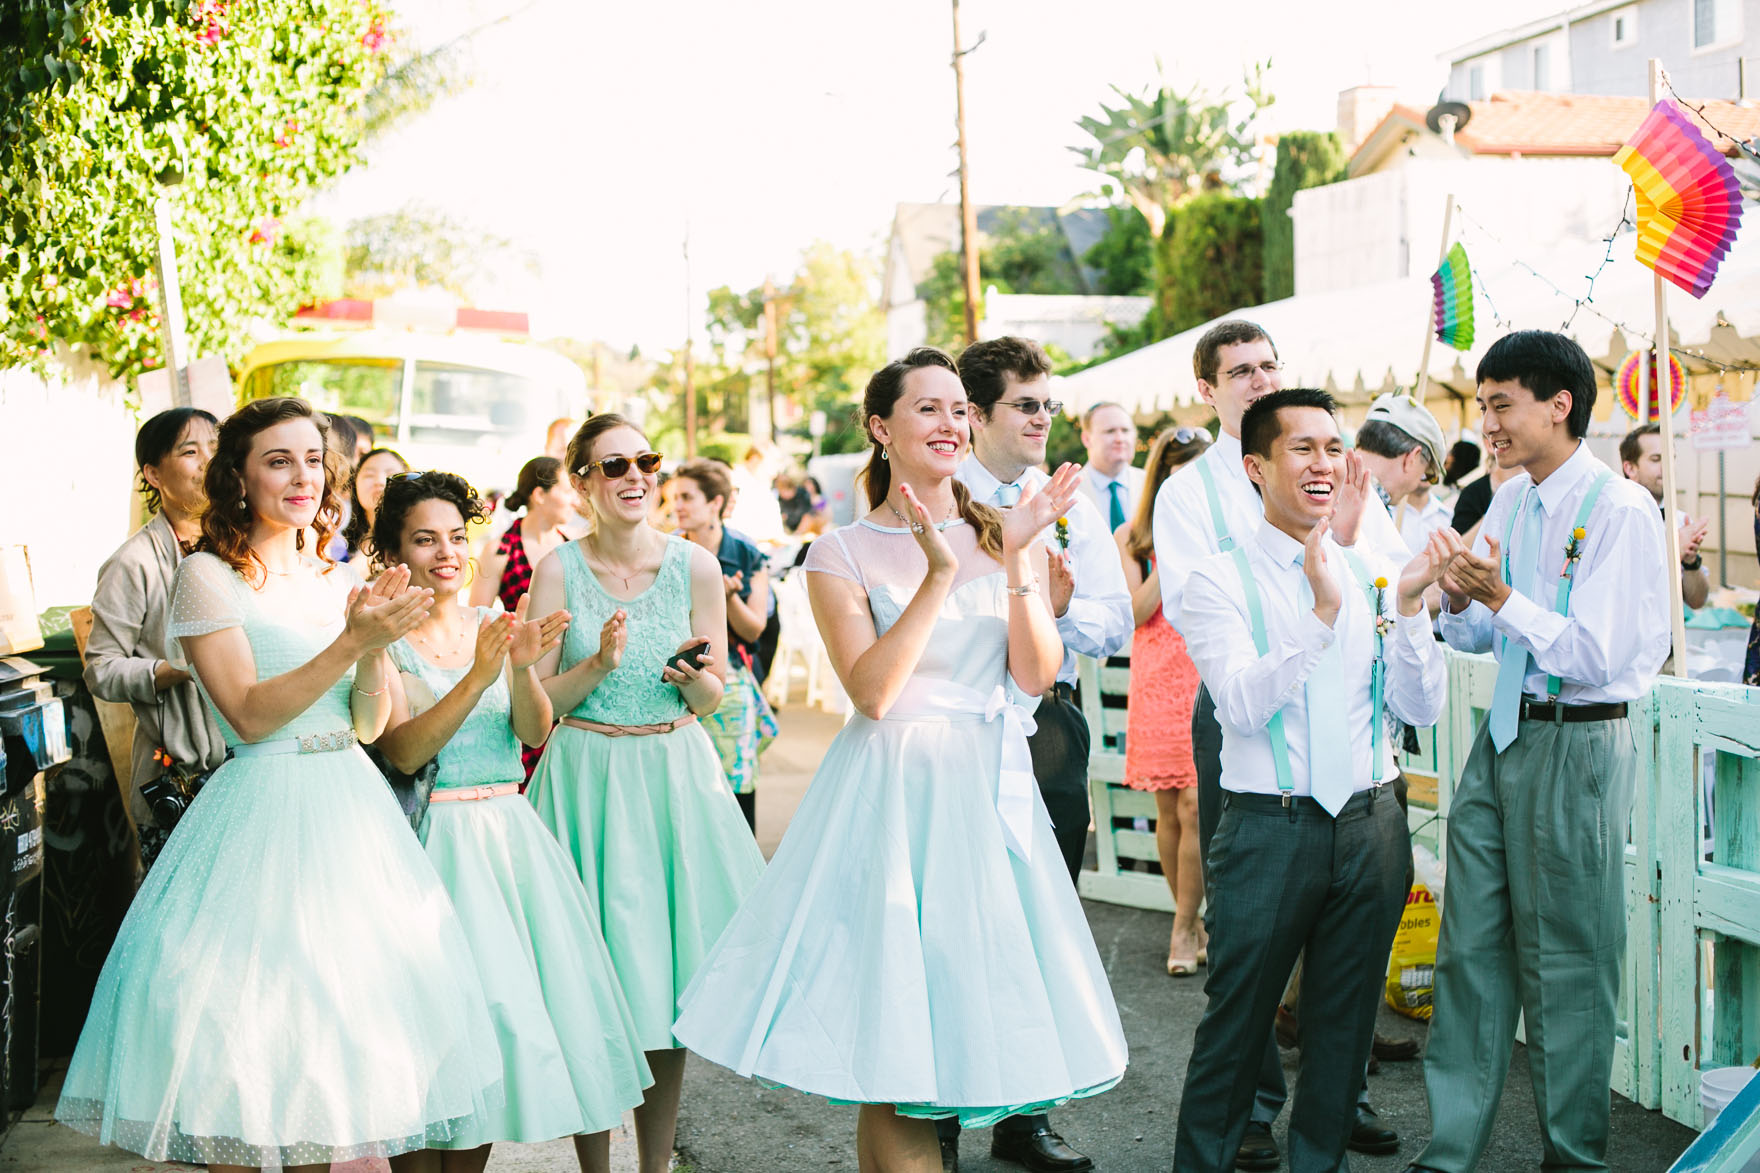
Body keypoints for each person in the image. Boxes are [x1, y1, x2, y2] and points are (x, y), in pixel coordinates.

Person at [673, 347, 1127, 1173]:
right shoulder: (839, 552)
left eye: (960, 408)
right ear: (881, 428)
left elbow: (1034, 673)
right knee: (894, 1049)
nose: (952, 423)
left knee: (970, 1017)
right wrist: (941, 577)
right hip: (896, 795)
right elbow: (874, 693)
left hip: (988, 793)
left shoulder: (1005, 529)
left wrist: (1020, 562)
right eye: (930, 408)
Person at [55, 397, 503, 1172]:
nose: (302, 475)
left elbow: (369, 726)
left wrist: (373, 649)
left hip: (352, 819)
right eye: (277, 459)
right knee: (246, 1056)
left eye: (311, 459)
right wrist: (354, 640)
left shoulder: (338, 577)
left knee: (330, 1063)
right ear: (239, 475)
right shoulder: (206, 577)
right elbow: (251, 716)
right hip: (260, 814)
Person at [1151, 320, 1411, 1170]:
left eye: (1335, 448)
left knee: (1342, 1026)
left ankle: (1320, 1150)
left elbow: (1415, 696)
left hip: (1371, 817)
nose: (1324, 464)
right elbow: (1237, 695)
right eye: (1304, 449)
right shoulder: (1208, 535)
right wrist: (1318, 613)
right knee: (1239, 1013)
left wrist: (1406, 610)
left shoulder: (1368, 554)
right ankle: (1232, 1136)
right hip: (1271, 810)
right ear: (1256, 464)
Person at [1409, 331, 1671, 1173]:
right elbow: (1487, 629)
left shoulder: (1622, 508)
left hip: (1579, 741)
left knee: (1568, 959)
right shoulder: (1514, 499)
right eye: (1483, 405)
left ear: (1560, 404)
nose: (1488, 423)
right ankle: (1451, 1152)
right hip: (1505, 733)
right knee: (1469, 949)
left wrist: (1503, 598)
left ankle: (1575, 1156)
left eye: (1500, 403)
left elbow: (1600, 656)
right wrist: (1459, 602)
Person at [373, 471, 654, 1173]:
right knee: (428, 1040)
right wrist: (478, 674)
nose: (444, 552)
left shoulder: (491, 623)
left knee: (495, 1029)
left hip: (506, 840)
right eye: (423, 538)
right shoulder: (386, 643)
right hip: (430, 847)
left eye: (454, 536)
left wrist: (523, 668)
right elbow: (404, 750)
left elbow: (531, 729)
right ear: (394, 554)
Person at [524, 414, 765, 1173]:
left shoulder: (696, 565)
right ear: (585, 482)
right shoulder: (556, 570)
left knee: (666, 992)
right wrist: (595, 664)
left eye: (646, 461)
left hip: (671, 779)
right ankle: (596, 1167)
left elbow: (716, 691)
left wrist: (698, 684)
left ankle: (654, 1167)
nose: (636, 476)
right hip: (585, 779)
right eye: (615, 464)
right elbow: (534, 705)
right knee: (586, 988)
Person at [948, 335, 1131, 1173]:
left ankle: (1026, 1119)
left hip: (1045, 725)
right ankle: (937, 1116)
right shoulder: (939, 492)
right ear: (976, 412)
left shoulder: (1069, 498)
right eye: (1027, 404)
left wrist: (1051, 615)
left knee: (1041, 920)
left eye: (1049, 404)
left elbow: (1114, 619)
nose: (1044, 418)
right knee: (953, 923)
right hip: (951, 728)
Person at [83, 407, 227, 872]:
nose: (208, 461)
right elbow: (101, 669)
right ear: (152, 473)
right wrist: (175, 669)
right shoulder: (134, 563)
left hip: (247, 770)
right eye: (190, 451)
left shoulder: (241, 547)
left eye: (216, 448)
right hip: (179, 775)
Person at [1116, 425, 1210, 976]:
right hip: (1157, 673)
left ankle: (1182, 927)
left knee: (1198, 806)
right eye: (1181, 473)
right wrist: (1171, 552)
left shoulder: (1221, 530)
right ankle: (1190, 921)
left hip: (1203, 670)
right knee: (1169, 810)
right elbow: (1132, 612)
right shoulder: (1133, 538)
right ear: (1164, 477)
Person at [673, 459, 774, 832]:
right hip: (678, 680)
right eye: (674, 498)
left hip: (731, 681)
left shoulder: (747, 553)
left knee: (735, 787)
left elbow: (753, 629)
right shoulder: (668, 551)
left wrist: (727, 598)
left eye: (687, 497)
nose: (677, 506)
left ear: (715, 503)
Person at [1620, 422, 1711, 610]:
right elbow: (1625, 590)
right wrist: (1673, 550)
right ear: (1630, 469)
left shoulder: (1680, 520)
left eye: (1671, 458)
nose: (1667, 466)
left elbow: (1697, 601)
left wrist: (1690, 561)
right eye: (1656, 459)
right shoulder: (1617, 516)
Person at [1354, 392, 1451, 557]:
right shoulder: (1364, 505)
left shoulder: (1334, 486)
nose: (1416, 485)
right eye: (1425, 473)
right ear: (1412, 458)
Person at [1075, 401, 1146, 532]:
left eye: (1125, 430)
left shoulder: (1151, 483)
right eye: (1110, 431)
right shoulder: (1069, 490)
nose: (1120, 438)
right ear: (1086, 439)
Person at [342, 446, 411, 563]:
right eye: (369, 475)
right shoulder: (338, 542)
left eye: (391, 474)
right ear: (354, 485)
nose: (379, 481)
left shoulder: (417, 541)